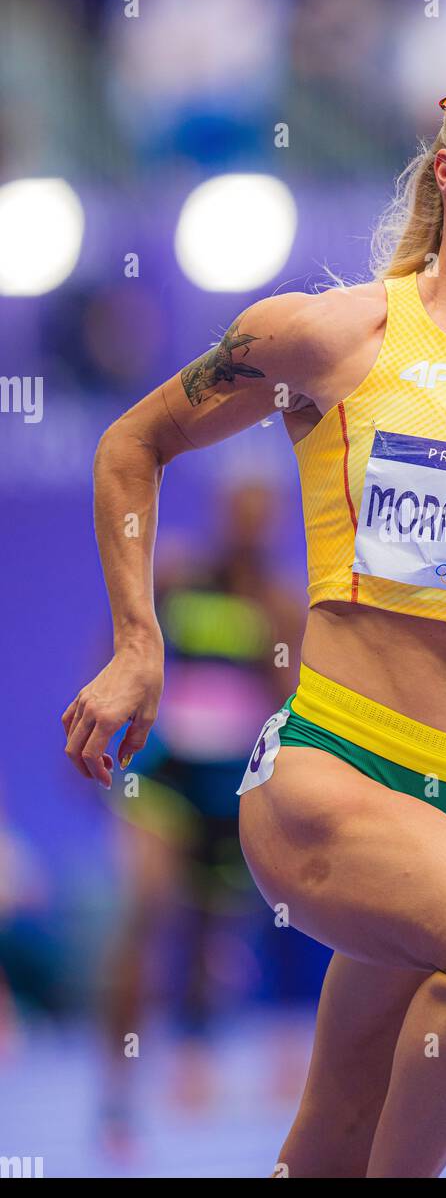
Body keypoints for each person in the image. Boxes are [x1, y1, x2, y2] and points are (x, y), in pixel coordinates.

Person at [62, 57, 446, 1178]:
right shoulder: (331, 337)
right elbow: (131, 444)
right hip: (331, 779)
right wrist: (137, 643)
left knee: (332, 1142)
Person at [97, 479, 305, 1149]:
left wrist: (268, 627)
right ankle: (117, 1094)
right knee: (149, 908)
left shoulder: (278, 603)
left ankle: (191, 1050)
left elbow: (292, 697)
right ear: (223, 514)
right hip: (167, 776)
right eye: (237, 511)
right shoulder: (178, 577)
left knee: (211, 935)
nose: (246, 523)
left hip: (232, 784)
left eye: (259, 515)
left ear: (269, 525)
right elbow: (126, 652)